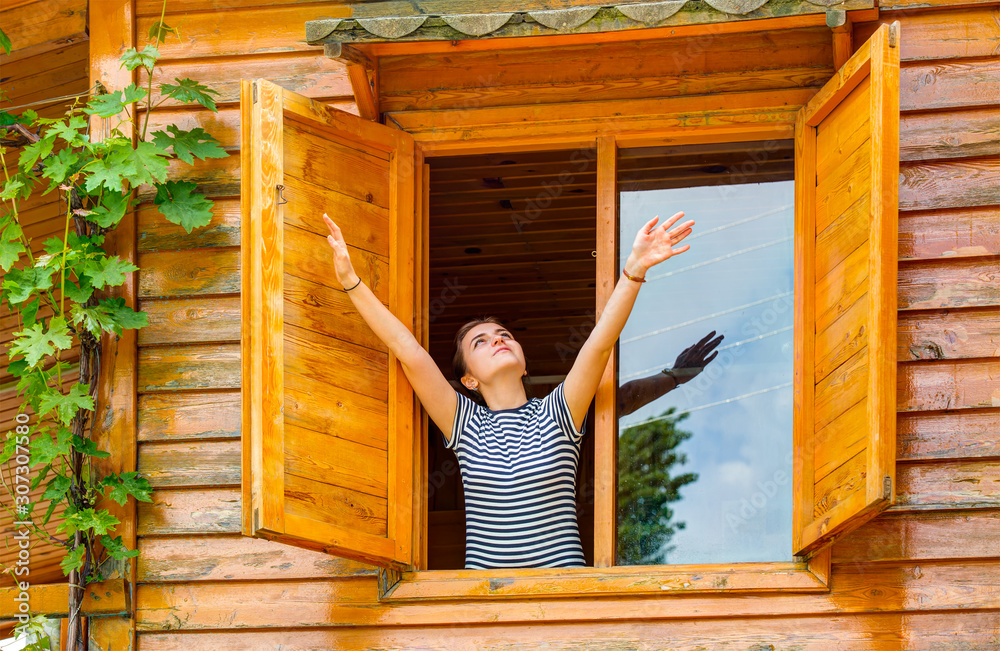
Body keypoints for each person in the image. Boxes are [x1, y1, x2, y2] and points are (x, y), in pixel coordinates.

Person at [322, 210, 695, 569]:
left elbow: (599, 344)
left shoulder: (557, 412)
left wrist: (634, 270)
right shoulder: (465, 425)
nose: (497, 340)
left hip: (565, 596)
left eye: (504, 335)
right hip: (486, 601)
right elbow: (408, 350)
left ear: (524, 363)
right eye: (480, 342)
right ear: (469, 380)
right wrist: (351, 281)